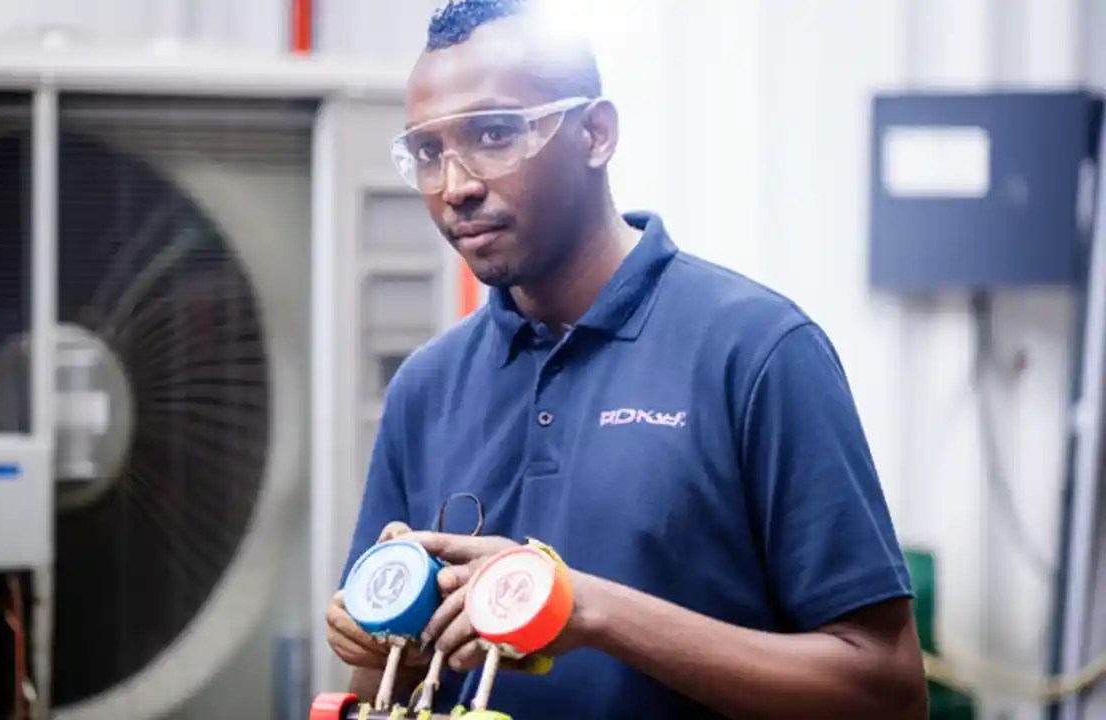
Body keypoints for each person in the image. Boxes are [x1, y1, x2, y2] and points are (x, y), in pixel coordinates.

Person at [325, 0, 929, 717]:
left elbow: (887, 692)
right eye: (428, 153)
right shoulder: (427, 387)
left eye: (493, 134)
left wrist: (590, 610)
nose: (456, 184)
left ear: (595, 133)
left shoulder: (757, 352)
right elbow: (377, 690)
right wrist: (383, 637)